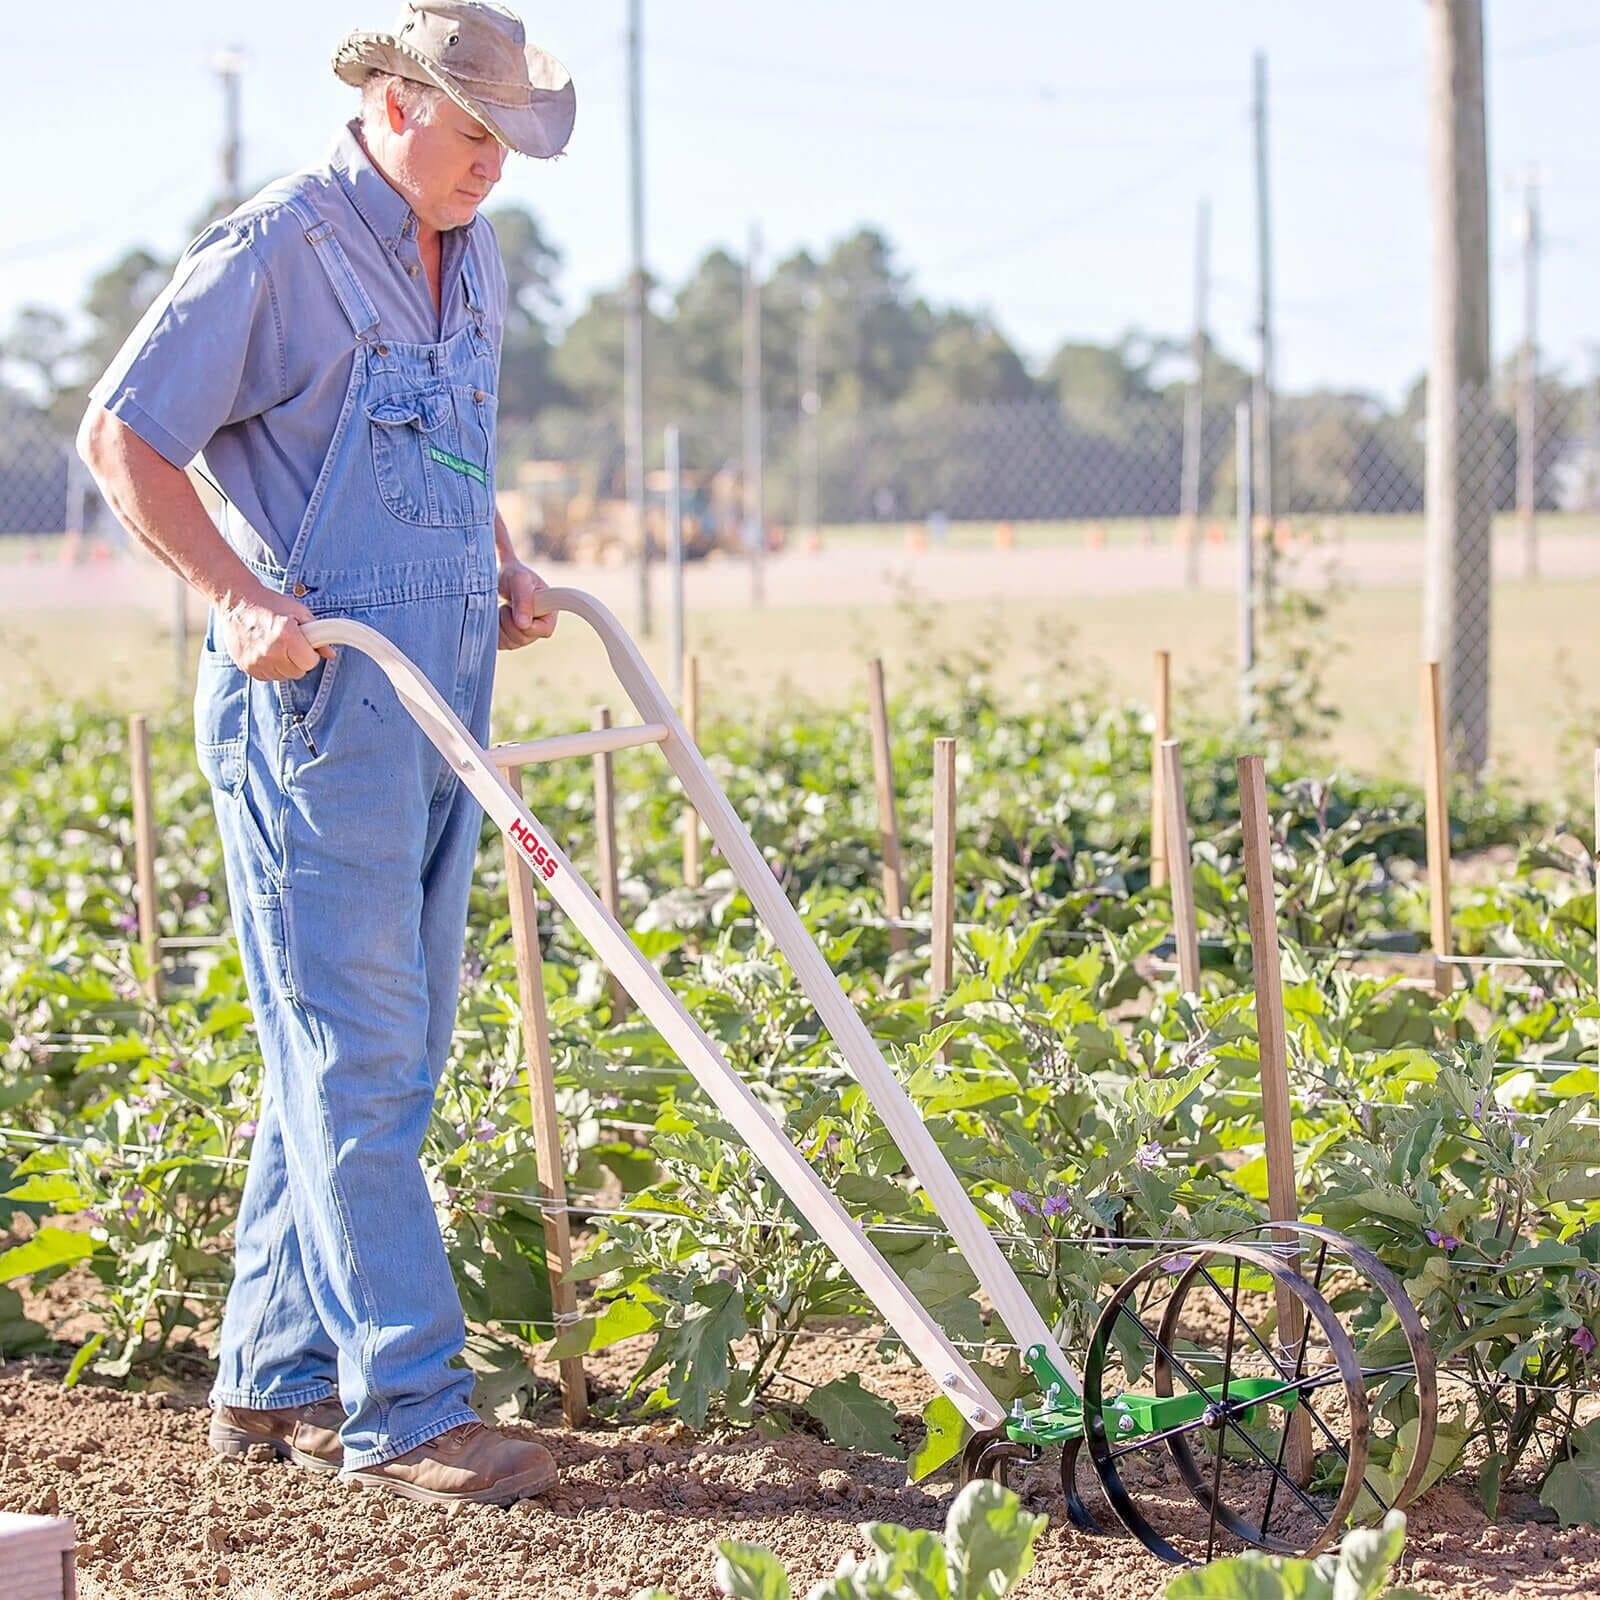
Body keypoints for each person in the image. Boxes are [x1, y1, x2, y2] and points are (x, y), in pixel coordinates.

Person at [76, 2, 576, 1507]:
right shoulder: (277, 248)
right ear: (397, 101)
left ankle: (275, 1376)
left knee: (378, 1054)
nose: (496, 166)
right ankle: (407, 1410)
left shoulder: (470, 253)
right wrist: (237, 603)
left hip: (443, 691)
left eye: (510, 143)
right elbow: (121, 437)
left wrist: (499, 555)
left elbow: (449, 438)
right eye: (478, 133)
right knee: (357, 1059)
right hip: (319, 704)